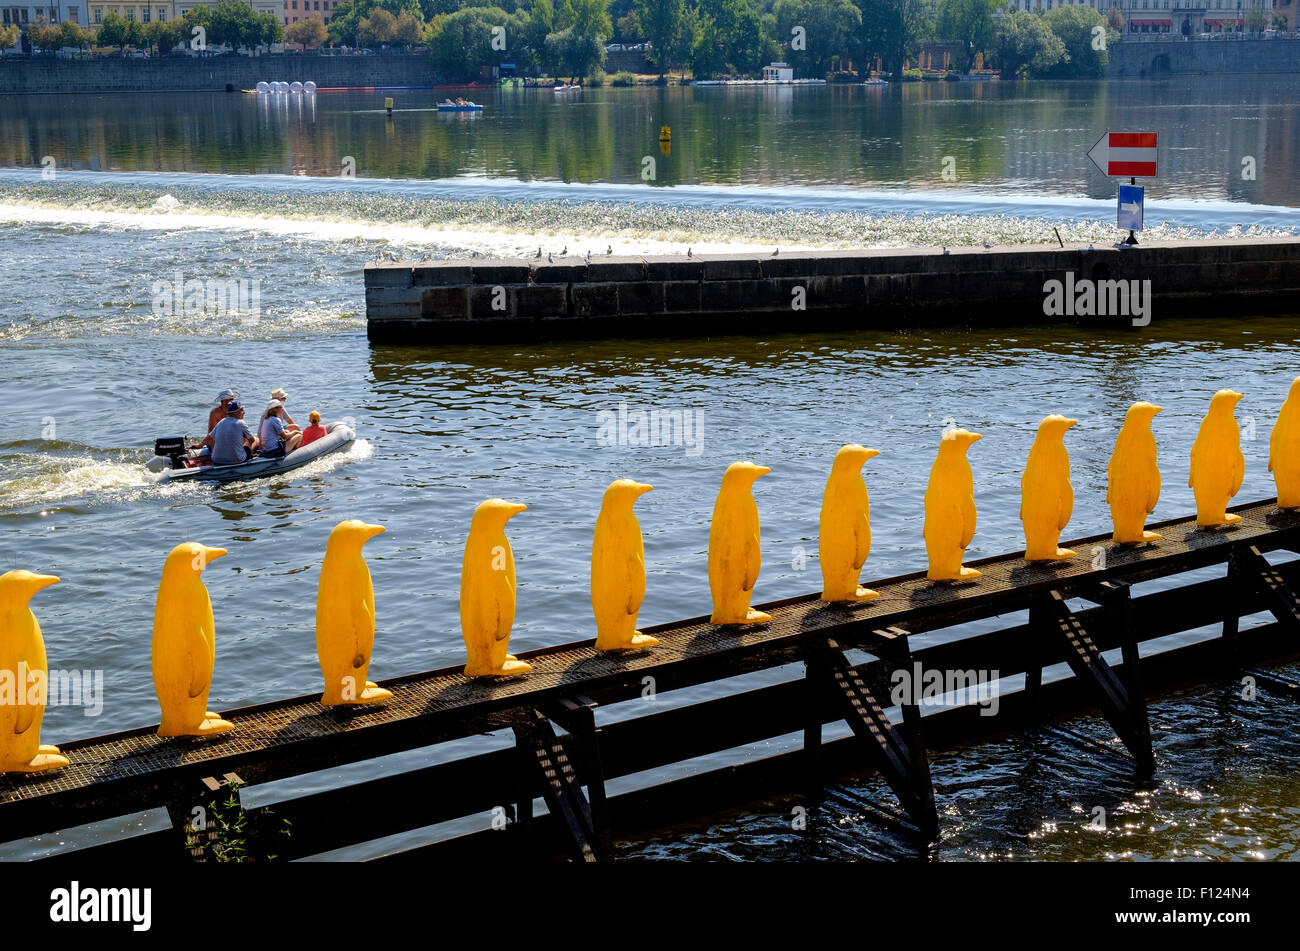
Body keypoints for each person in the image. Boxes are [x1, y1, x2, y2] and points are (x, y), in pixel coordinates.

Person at [206, 400, 258, 466]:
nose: (244, 412)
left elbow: (209, 438)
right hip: (237, 460)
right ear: (235, 412)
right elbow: (252, 440)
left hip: (216, 460)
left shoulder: (221, 422)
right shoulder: (241, 423)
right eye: (241, 410)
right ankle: (250, 456)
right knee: (256, 440)